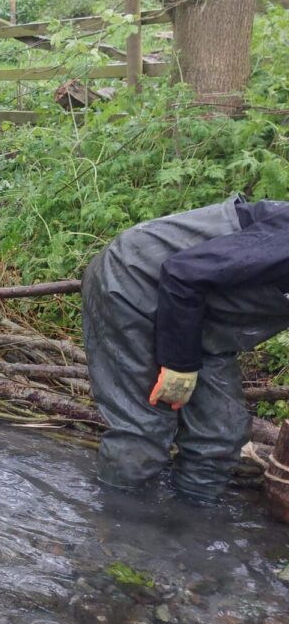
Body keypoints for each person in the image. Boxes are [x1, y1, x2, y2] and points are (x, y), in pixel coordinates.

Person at [82, 195, 289, 505]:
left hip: (201, 319)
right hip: (135, 282)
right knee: (144, 433)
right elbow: (183, 272)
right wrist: (179, 365)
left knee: (220, 435)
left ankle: (188, 524)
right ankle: (114, 522)